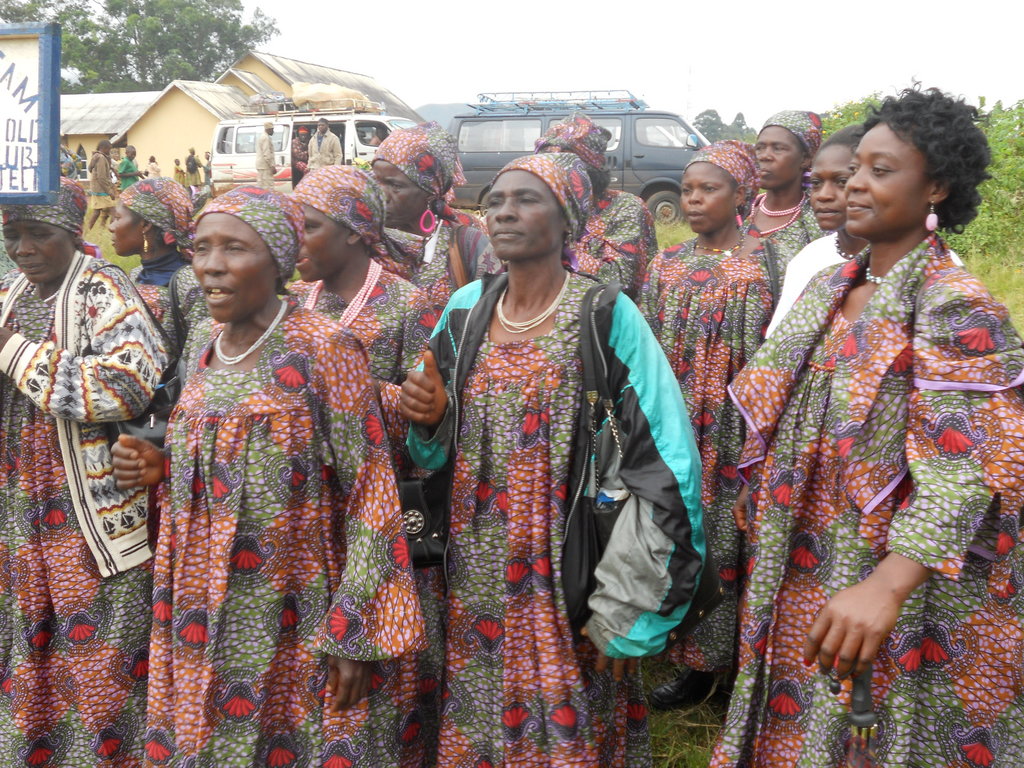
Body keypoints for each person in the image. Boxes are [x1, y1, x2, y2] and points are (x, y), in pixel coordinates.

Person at [712, 87, 1024, 767]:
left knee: (883, 726)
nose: (855, 184)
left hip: (891, 571)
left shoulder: (954, 305)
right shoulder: (834, 287)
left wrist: (887, 585)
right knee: (799, 709)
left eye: (881, 172)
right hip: (803, 550)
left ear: (936, 186)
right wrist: (759, 481)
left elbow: (970, 465)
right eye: (857, 168)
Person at [400, 152, 707, 765]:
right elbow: (432, 451)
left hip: (569, 564)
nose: (504, 212)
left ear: (568, 219)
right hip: (474, 561)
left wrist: (628, 611)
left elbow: (668, 463)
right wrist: (428, 419)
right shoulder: (465, 310)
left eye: (527, 199)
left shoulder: (605, 316)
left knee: (567, 717)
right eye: (494, 202)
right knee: (478, 709)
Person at [111, 185, 426, 767]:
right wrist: (165, 467)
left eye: (234, 248)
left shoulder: (325, 348)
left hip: (295, 600)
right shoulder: (207, 346)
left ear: (279, 257)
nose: (209, 265)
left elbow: (371, 491)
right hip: (200, 595)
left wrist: (354, 629)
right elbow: (228, 455)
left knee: (296, 734)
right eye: (202, 248)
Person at [0, 176, 168, 765]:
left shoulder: (105, 290)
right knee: (30, 652)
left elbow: (127, 385)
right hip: (21, 508)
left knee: (98, 663)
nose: (23, 249)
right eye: (12, 234)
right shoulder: (11, 293)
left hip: (88, 515)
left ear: (72, 233)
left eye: (38, 234)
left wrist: (14, 351)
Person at [642, 140, 773, 710]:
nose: (693, 201)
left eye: (709, 189)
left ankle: (717, 666)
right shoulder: (665, 264)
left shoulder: (760, 266)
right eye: (688, 190)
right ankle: (671, 647)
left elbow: (767, 362)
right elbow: (641, 346)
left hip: (724, 428)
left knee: (720, 538)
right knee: (669, 531)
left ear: (741, 194)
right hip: (668, 421)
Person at [290, 166, 434, 441]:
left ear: (353, 232)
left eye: (309, 227)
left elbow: (426, 409)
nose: (295, 239)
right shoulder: (296, 298)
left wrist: (359, 384)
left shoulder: (406, 303)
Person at [372, 121, 497, 313]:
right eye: (376, 181)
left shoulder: (467, 243)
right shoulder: (366, 240)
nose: (380, 195)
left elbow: (492, 314)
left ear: (430, 191)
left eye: (395, 186)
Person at [536, 111, 658, 298]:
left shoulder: (624, 208)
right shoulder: (540, 210)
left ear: (588, 174)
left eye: (561, 169)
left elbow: (621, 280)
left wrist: (554, 248)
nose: (549, 178)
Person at [765, 125, 868, 337]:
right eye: (817, 183)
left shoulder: (921, 267)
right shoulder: (809, 259)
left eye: (841, 182)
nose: (823, 195)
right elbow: (779, 343)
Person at [108, 176, 196, 349]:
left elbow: (198, 352)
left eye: (118, 218)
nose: (111, 227)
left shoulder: (189, 284)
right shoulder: (134, 275)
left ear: (145, 225)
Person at [747, 111, 825, 285]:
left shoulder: (820, 220)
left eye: (778, 148)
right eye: (759, 148)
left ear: (805, 159)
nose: (764, 156)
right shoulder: (739, 212)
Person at [86, 138, 118, 230]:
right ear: (103, 148)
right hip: (102, 189)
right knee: (113, 210)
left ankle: (88, 230)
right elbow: (101, 177)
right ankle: (112, 230)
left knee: (97, 211)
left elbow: (91, 169)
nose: (109, 151)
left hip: (96, 188)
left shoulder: (96, 156)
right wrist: (109, 191)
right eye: (109, 149)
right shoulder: (101, 158)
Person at [256, 122, 276, 190]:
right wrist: (272, 166)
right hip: (265, 166)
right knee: (268, 186)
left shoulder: (263, 136)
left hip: (262, 165)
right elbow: (266, 154)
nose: (273, 131)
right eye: (272, 129)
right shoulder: (265, 138)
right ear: (268, 129)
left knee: (261, 185)